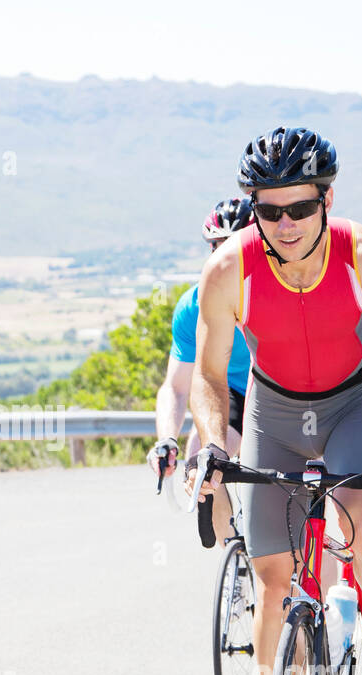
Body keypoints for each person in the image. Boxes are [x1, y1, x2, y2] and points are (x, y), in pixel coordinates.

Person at [190, 127, 362, 675]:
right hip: (271, 412)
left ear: (327, 199)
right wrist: (214, 452)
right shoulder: (230, 270)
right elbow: (205, 378)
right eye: (269, 211)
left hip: (352, 402)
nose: (285, 224)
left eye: (301, 207)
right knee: (276, 579)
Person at [147, 198, 253, 539]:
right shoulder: (193, 306)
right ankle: (235, 559)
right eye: (217, 248)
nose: (225, 258)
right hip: (231, 391)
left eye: (236, 247)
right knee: (201, 457)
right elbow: (176, 387)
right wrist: (166, 438)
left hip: (284, 389)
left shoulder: (275, 295)